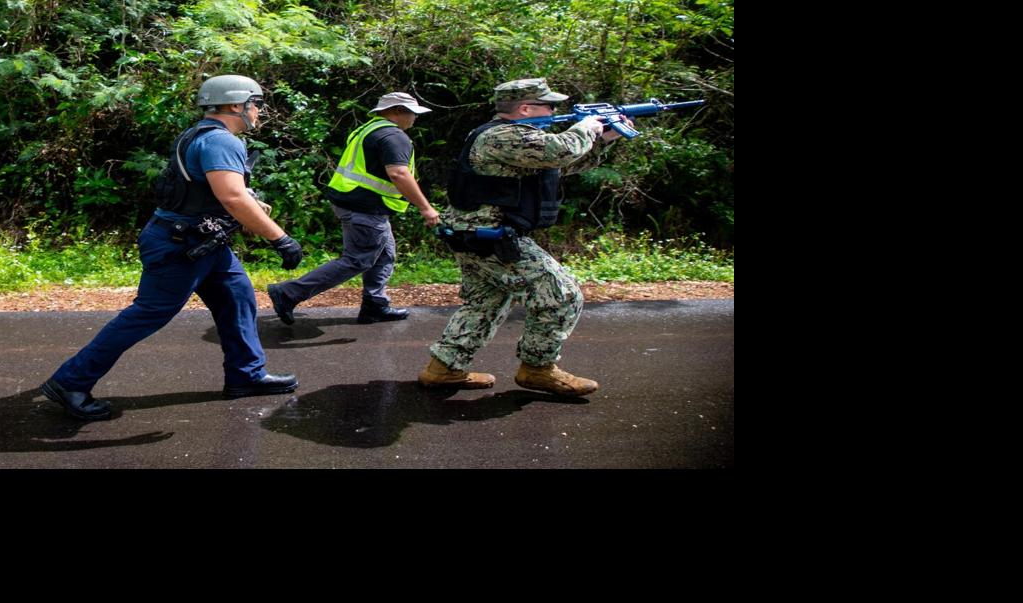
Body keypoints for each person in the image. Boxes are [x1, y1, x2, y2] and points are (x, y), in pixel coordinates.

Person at [41, 74, 303, 420]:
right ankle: (70, 381)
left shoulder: (200, 135)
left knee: (238, 297)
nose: (258, 112)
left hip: (203, 242)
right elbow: (232, 195)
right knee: (149, 313)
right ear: (235, 105)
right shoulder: (221, 142)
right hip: (181, 245)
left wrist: (251, 205)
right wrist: (280, 238)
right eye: (255, 104)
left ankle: (246, 374)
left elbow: (214, 190)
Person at [419, 77, 626, 396]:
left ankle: (443, 368)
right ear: (526, 108)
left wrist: (605, 138)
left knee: (485, 301)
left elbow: (558, 165)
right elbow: (560, 150)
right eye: (549, 105)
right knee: (562, 293)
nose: (555, 110)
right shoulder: (502, 136)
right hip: (489, 238)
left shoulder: (515, 137)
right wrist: (587, 126)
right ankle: (537, 369)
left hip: (477, 235)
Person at [267, 91, 440, 326]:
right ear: (397, 111)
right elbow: (398, 173)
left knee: (383, 254)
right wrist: (426, 208)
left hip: (354, 202)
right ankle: (288, 293)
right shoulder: (393, 136)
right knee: (357, 260)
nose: (415, 119)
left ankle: (375, 306)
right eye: (412, 113)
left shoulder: (367, 129)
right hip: (366, 207)